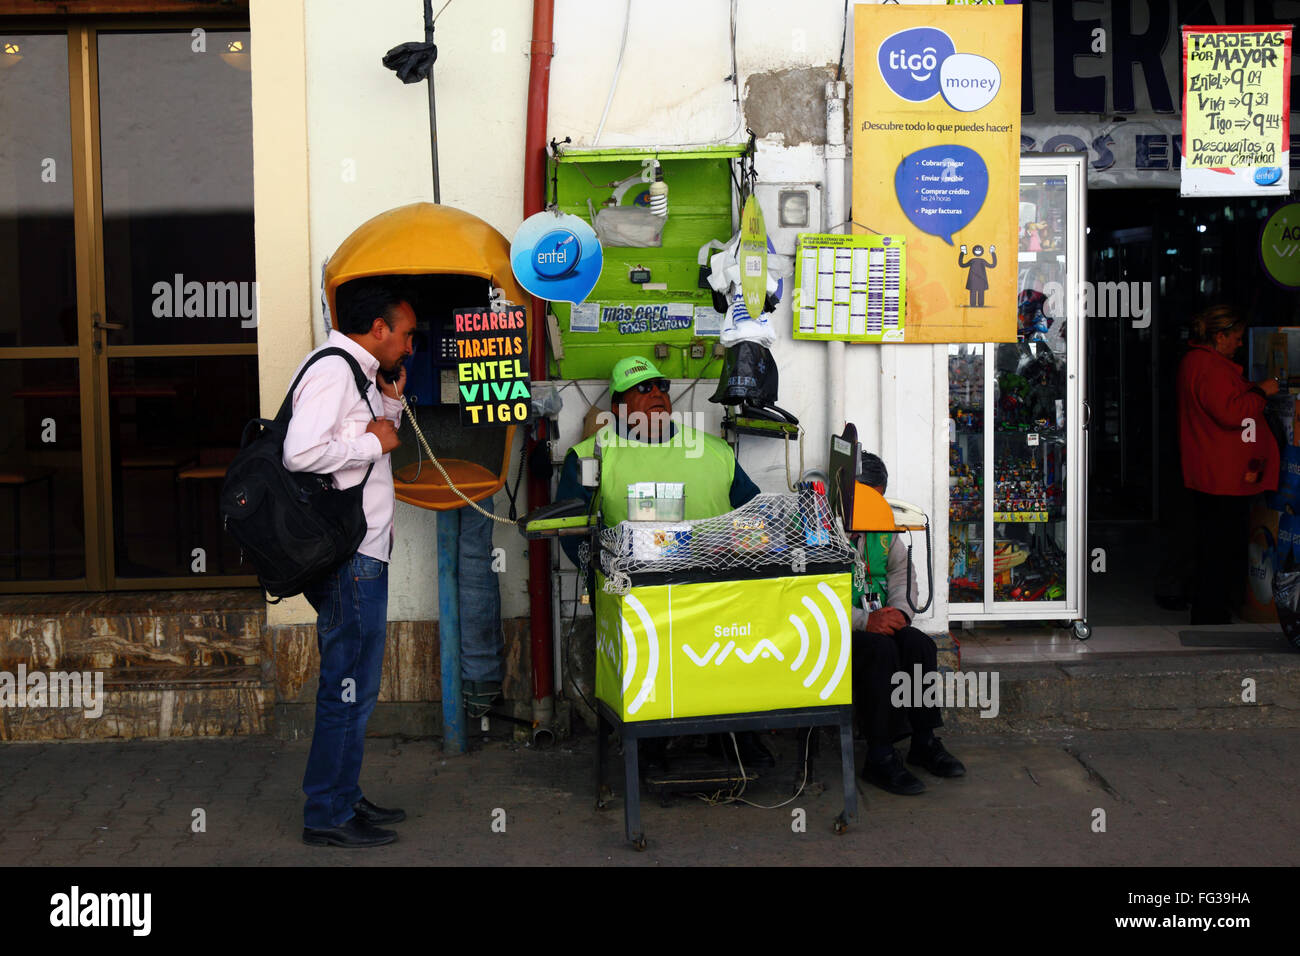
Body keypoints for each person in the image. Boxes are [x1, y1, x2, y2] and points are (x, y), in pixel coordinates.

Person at [555, 355, 770, 766]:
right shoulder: (592, 456)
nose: (657, 394)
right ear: (619, 406)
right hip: (638, 595)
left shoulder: (712, 451)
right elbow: (571, 529)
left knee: (735, 651)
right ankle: (648, 746)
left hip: (715, 589)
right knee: (650, 668)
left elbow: (753, 514)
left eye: (662, 388)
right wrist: (600, 577)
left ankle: (738, 739)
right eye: (643, 389)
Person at [283, 279, 415, 848]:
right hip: (350, 557)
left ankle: (343, 795)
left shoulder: (357, 374)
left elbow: (371, 437)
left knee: (355, 686)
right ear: (378, 329)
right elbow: (300, 451)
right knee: (347, 687)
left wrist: (388, 405)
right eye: (406, 334)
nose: (411, 345)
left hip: (363, 552)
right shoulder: (335, 370)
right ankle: (327, 814)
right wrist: (374, 443)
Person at [850, 452, 965, 796]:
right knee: (881, 651)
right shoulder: (823, 531)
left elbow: (902, 573)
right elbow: (812, 595)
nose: (876, 503)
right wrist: (864, 620)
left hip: (882, 620)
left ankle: (923, 741)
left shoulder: (883, 528)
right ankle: (880, 755)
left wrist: (900, 613)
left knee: (918, 644)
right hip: (842, 630)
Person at [1177, 304, 1280, 625]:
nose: (1239, 344)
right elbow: (1231, 413)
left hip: (1214, 470)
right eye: (1235, 337)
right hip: (1221, 474)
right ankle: (1211, 612)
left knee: (1212, 542)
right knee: (1219, 546)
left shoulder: (1201, 363)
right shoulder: (1210, 367)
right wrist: (1262, 391)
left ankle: (1210, 607)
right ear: (1219, 337)